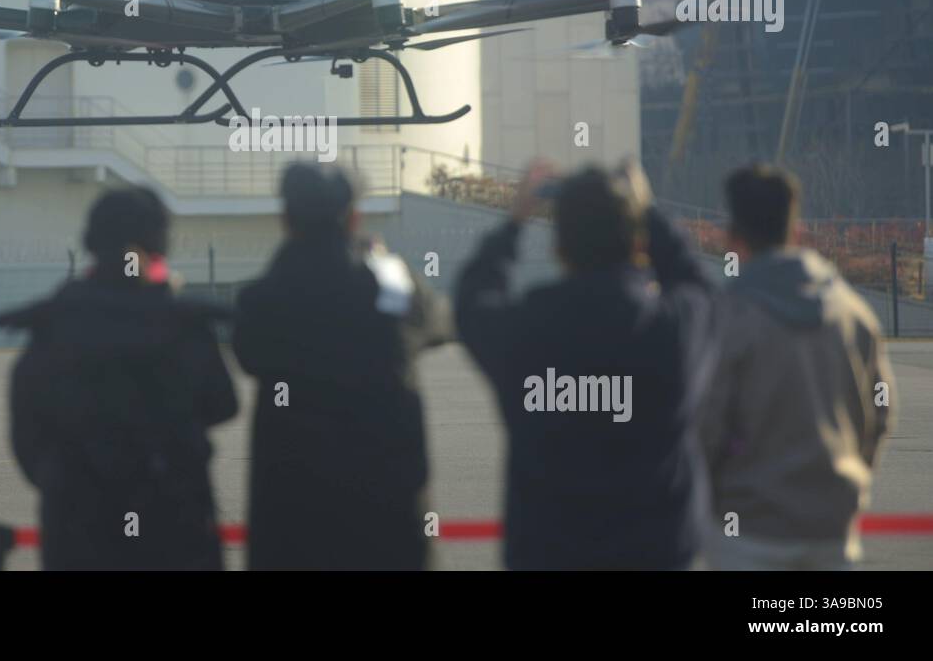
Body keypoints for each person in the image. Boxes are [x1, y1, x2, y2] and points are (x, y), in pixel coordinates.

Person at [454, 159, 713, 570]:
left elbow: (472, 300)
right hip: (654, 555)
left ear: (558, 247)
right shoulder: (669, 332)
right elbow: (696, 286)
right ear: (637, 245)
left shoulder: (524, 331)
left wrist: (514, 221)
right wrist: (648, 212)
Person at [0, 186, 237, 570]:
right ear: (157, 243)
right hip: (175, 527)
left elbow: (28, 429)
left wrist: (64, 480)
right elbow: (223, 403)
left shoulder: (55, 323)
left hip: (77, 528)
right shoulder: (180, 323)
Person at [233, 163, 452, 570]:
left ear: (285, 219)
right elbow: (436, 322)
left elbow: (248, 350)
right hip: (387, 531)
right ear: (354, 217)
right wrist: (381, 259)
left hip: (291, 536)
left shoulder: (262, 301)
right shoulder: (389, 285)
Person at [701, 165, 894, 570]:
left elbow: (705, 425)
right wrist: (850, 481)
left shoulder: (727, 317)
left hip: (749, 529)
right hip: (831, 526)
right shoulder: (852, 311)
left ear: (732, 238)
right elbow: (878, 413)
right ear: (797, 230)